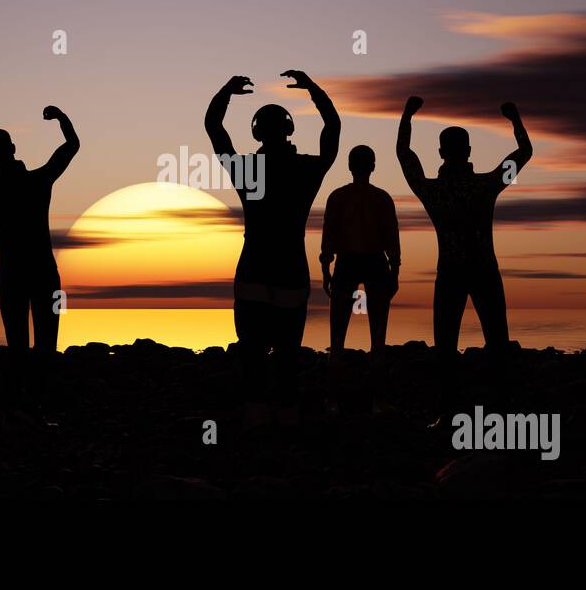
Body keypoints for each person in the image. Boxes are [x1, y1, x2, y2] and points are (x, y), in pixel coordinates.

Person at [205, 70, 340, 428]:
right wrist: (315, 91)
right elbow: (333, 132)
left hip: (254, 265)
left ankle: (254, 413)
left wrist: (225, 93)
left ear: (256, 132)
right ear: (289, 129)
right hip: (291, 266)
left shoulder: (247, 169)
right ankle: (287, 415)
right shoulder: (307, 168)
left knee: (251, 348)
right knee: (287, 351)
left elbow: (214, 129)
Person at [0, 106, 79, 422]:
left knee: (17, 340)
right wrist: (61, 118)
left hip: (14, 273)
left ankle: (20, 401)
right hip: (44, 270)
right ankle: (38, 400)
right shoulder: (38, 180)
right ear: (13, 149)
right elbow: (71, 146)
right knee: (46, 339)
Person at [397, 99, 531, 354]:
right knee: (497, 343)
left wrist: (407, 117)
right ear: (469, 151)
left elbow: (404, 155)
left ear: (440, 153)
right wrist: (515, 120)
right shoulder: (486, 186)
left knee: (445, 348)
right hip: (485, 271)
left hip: (450, 272)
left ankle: (448, 391)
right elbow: (524, 152)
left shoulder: (433, 191)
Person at [320, 145, 400, 411]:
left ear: (350, 166)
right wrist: (394, 271)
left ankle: (335, 399)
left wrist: (326, 270)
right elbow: (392, 239)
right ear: (373, 166)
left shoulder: (338, 197)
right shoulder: (382, 198)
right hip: (374, 263)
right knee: (378, 335)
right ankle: (376, 399)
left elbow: (328, 238)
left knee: (337, 335)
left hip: (349, 263)